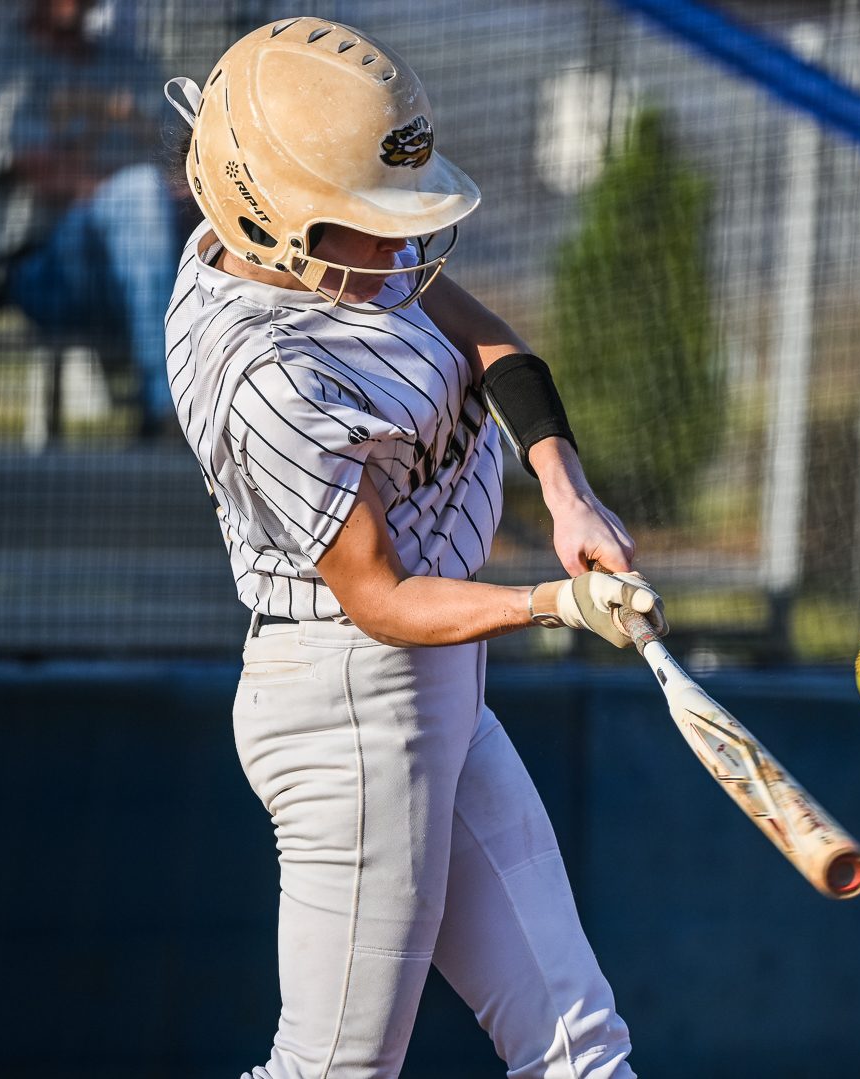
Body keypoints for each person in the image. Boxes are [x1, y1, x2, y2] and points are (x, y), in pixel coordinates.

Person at [162, 18, 660, 1079]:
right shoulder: (267, 374)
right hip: (350, 693)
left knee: (578, 1042)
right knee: (335, 1071)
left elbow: (494, 347)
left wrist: (565, 491)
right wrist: (552, 606)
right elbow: (381, 596)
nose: (400, 251)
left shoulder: (312, 249)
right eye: (367, 224)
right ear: (272, 214)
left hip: (431, 684)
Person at [0, 0, 187, 437]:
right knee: (139, 193)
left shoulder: (131, 66)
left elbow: (182, 162)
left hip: (141, 264)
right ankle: (172, 409)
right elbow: (35, 167)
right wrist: (131, 195)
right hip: (46, 270)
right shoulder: (7, 64)